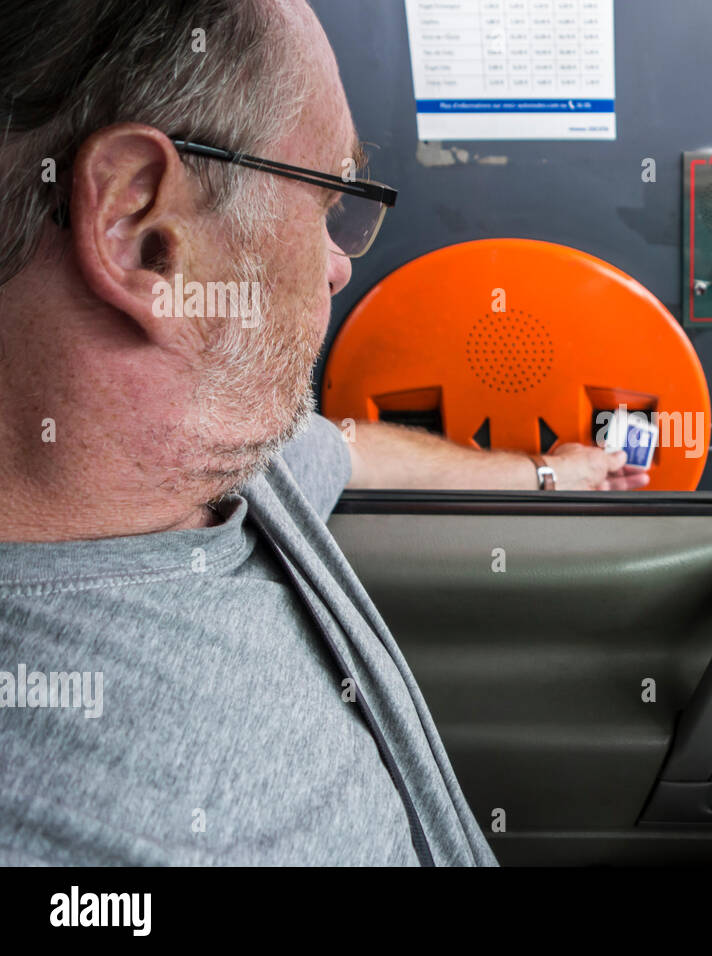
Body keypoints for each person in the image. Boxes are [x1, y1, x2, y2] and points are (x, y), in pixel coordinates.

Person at [0, 0, 621, 865]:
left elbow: (348, 446)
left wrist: (546, 474)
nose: (338, 263)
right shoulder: (69, 828)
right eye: (329, 200)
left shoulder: (203, 445)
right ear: (147, 234)